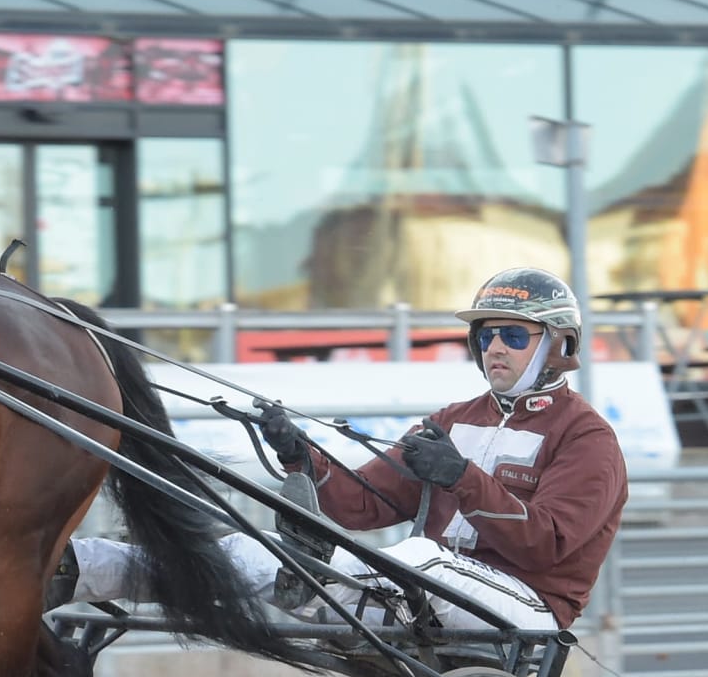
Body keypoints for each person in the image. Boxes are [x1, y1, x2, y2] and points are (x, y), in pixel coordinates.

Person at [53, 267, 629, 633]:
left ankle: (321, 580)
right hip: (424, 596)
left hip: (524, 610)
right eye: (484, 335)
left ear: (559, 346)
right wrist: (301, 456)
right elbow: (361, 506)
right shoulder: (453, 421)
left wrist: (461, 478)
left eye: (513, 335)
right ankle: (78, 569)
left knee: (419, 555)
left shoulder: (587, 439)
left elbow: (547, 544)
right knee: (245, 551)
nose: (494, 347)